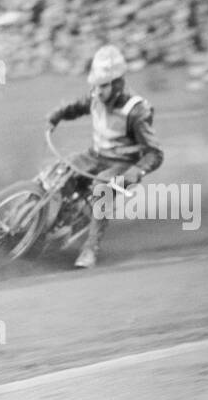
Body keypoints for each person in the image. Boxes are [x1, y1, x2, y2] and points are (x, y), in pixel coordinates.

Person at [47, 45, 165, 268]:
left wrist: (134, 172)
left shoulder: (136, 110)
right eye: (95, 85)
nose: (97, 91)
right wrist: (58, 114)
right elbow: (79, 106)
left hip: (122, 165)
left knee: (103, 189)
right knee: (62, 171)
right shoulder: (96, 95)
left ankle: (90, 249)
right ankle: (60, 221)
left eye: (103, 86)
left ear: (117, 83)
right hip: (95, 155)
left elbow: (155, 153)